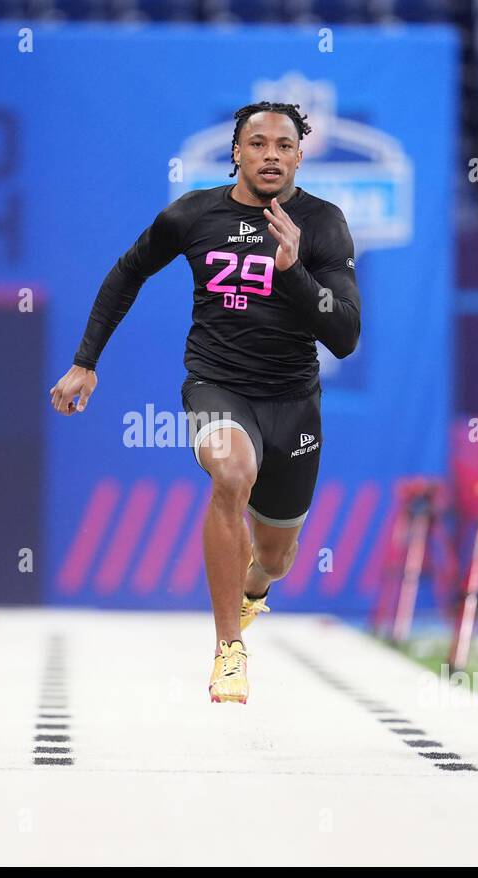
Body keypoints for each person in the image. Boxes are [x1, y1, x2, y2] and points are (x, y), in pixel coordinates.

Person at [49, 101, 361, 704]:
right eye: (258, 143)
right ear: (236, 153)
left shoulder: (323, 224)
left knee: (276, 555)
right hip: (216, 384)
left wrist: (294, 272)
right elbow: (126, 272)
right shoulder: (193, 214)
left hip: (293, 402)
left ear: (299, 156)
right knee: (232, 472)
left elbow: (345, 337)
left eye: (284, 145)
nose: (271, 154)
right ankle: (229, 652)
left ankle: (253, 592)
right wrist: (85, 361)